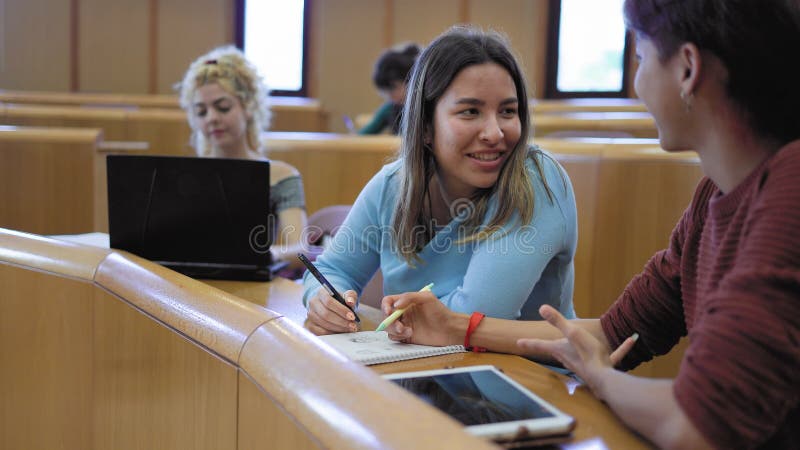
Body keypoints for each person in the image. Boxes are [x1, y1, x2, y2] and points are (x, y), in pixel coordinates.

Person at [381, 1, 800, 448]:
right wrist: (455, 327)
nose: (637, 81)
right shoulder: (713, 195)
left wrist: (603, 380)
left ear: (687, 69)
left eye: (641, 58)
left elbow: (698, 423)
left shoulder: (789, 193)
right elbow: (615, 332)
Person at [303, 26, 578, 335]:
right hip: (419, 363)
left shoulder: (535, 179)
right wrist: (323, 299)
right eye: (470, 111)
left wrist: (409, 321)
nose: (494, 132)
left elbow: (478, 314)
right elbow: (331, 269)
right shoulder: (394, 184)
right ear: (425, 126)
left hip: (528, 367)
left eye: (508, 111)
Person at [178, 45, 312, 273]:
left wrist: (262, 254)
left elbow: (301, 249)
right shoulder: (188, 175)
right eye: (201, 111)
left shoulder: (280, 175)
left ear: (248, 106)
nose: (211, 118)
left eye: (222, 107)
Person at [358, 43, 421, 135]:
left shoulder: (426, 107)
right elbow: (362, 135)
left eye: (394, 88)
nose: (391, 96)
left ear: (412, 81)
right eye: (387, 92)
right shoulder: (389, 109)